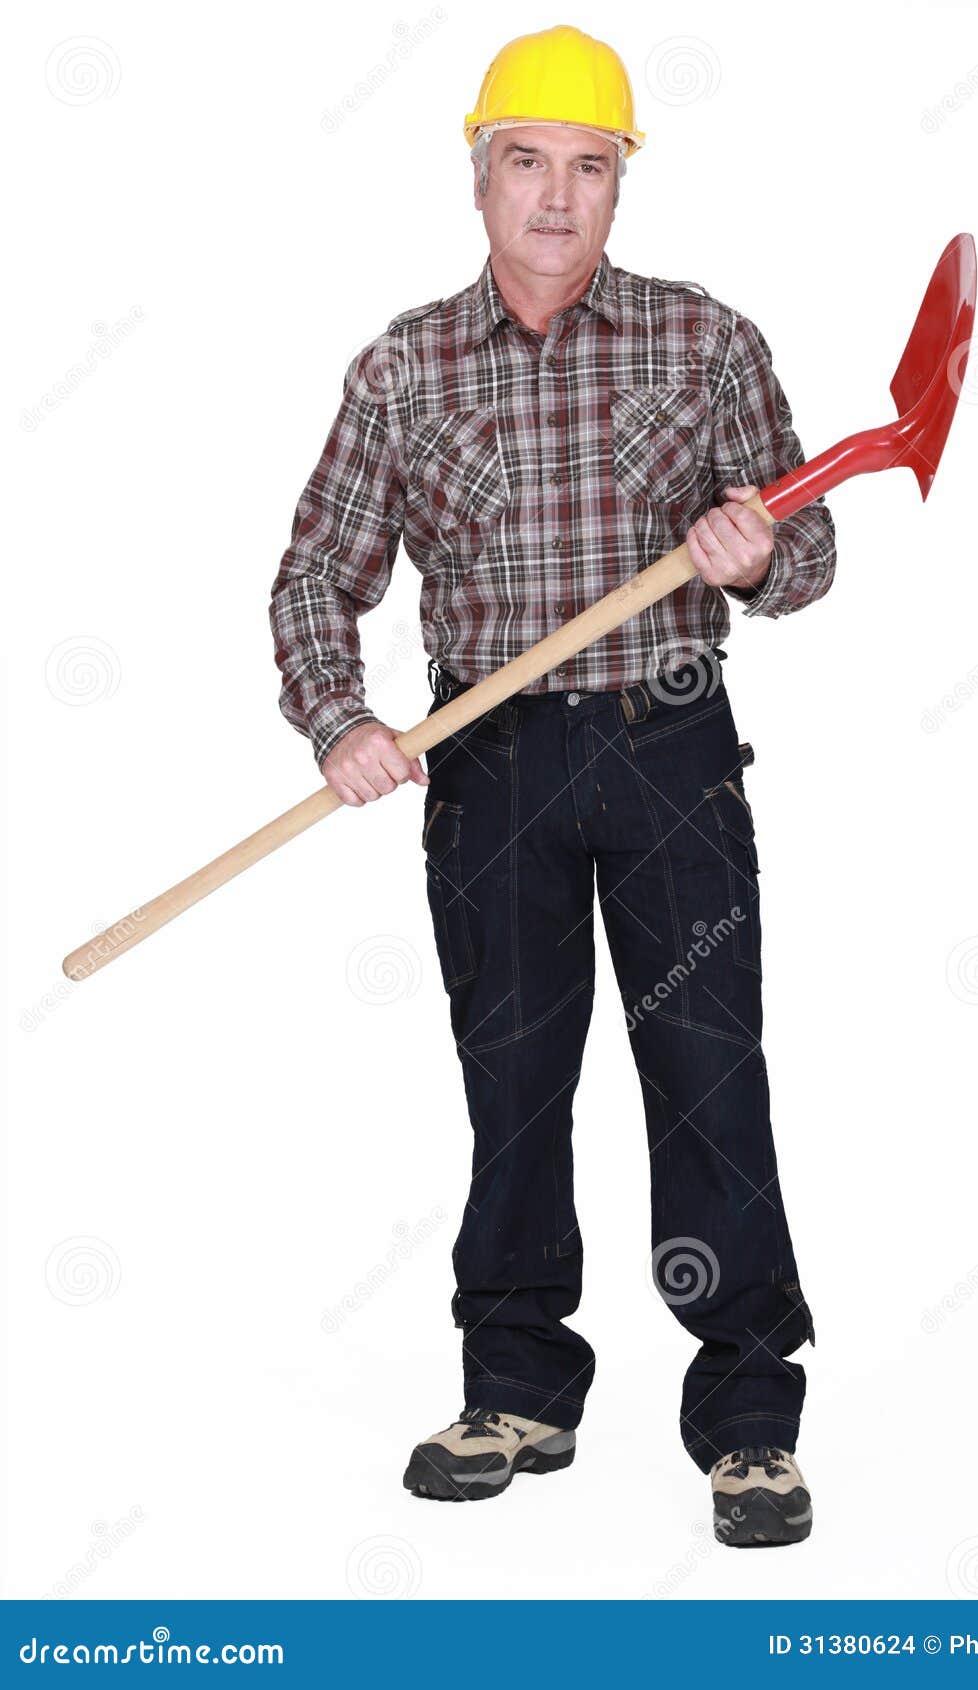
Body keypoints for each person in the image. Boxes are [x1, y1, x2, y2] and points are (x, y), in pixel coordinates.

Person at [269, 24, 835, 1546]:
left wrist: (766, 551)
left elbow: (816, 551)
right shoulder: (403, 365)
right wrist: (342, 722)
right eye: (531, 162)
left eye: (592, 168)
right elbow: (320, 572)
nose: (560, 199)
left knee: (710, 1075)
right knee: (514, 1090)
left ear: (620, 183)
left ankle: (748, 1423)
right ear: (480, 176)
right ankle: (517, 1388)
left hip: (671, 750)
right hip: (490, 764)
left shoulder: (703, 339)